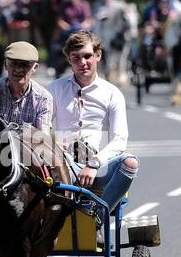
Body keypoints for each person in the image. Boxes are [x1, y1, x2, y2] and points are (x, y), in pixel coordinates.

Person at [49, 30, 139, 223]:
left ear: (98, 55)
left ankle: (97, 218)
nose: (82, 63)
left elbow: (119, 139)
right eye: (76, 58)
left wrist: (94, 163)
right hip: (65, 163)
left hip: (100, 164)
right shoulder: (55, 89)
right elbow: (42, 127)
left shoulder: (112, 93)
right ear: (68, 59)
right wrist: (56, 147)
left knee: (130, 163)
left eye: (88, 56)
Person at [0, 40, 52, 130]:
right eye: (14, 64)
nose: (18, 69)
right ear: (5, 65)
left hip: (28, 143)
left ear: (35, 68)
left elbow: (43, 136)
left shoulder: (43, 98)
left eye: (25, 65)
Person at [53, 0, 92, 74]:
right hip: (68, 30)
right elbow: (60, 21)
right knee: (56, 45)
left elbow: (88, 20)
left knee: (77, 27)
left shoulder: (84, 4)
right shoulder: (64, 5)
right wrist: (67, 27)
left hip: (81, 30)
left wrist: (80, 27)